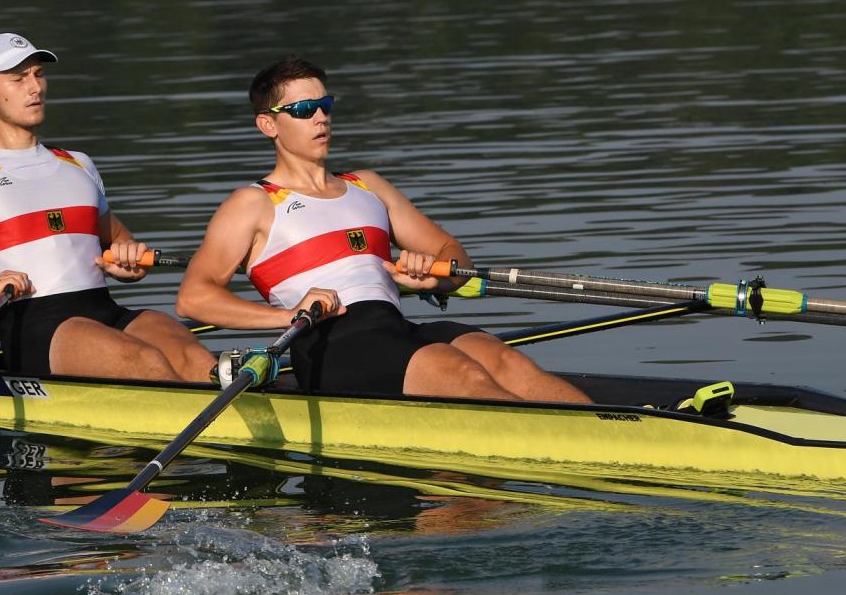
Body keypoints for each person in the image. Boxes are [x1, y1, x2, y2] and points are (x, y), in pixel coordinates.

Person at [175, 55, 592, 403]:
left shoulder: (367, 186)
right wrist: (288, 314)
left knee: (503, 359)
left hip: (394, 326)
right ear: (269, 125)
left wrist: (434, 276)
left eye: (326, 105)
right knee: (461, 372)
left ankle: (619, 433)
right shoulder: (253, 203)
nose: (320, 117)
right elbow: (193, 297)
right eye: (304, 110)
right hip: (331, 344)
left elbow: (453, 254)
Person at [0, 33, 213, 381]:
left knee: (197, 362)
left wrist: (128, 263)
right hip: (36, 329)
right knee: (145, 361)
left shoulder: (79, 165)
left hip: (105, 310)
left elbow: (118, 245)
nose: (35, 88)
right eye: (18, 78)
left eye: (38, 74)